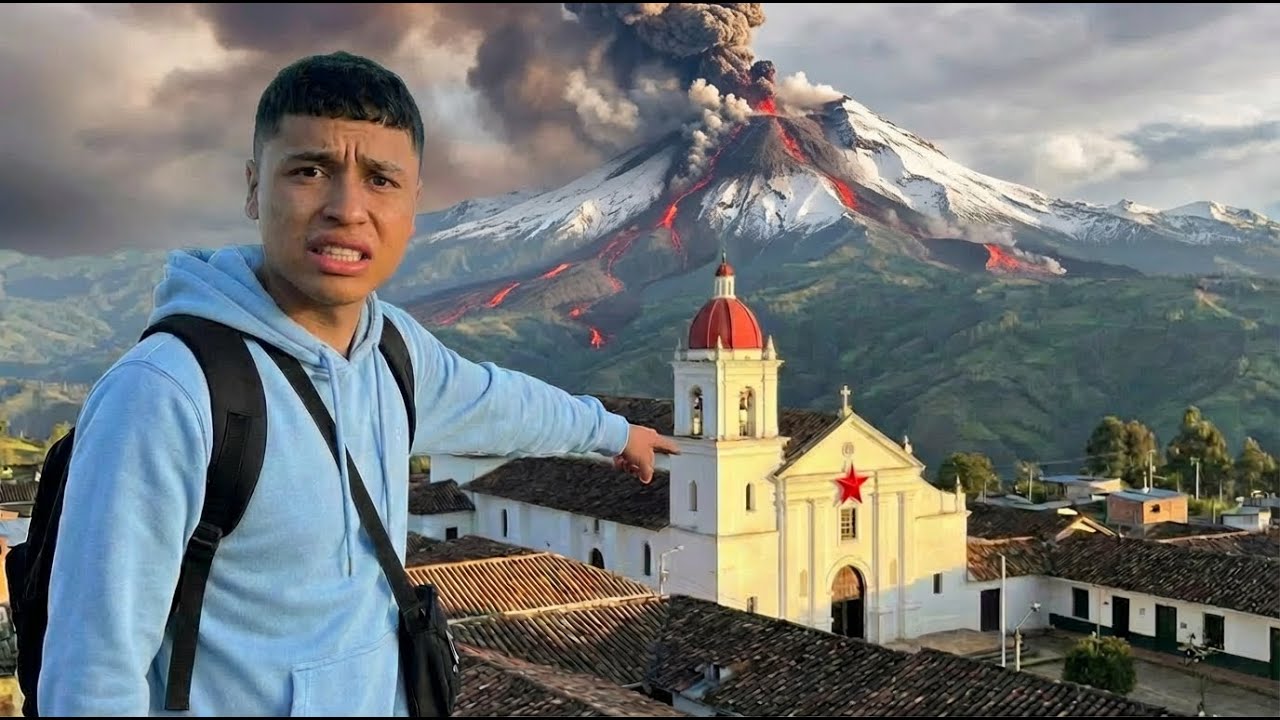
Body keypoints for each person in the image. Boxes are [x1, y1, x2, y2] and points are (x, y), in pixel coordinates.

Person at [38, 50, 680, 716]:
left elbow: (499, 402)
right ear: (255, 187)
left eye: (380, 178)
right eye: (310, 170)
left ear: (413, 201)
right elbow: (92, 677)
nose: (347, 208)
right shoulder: (167, 393)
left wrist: (612, 432)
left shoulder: (392, 353)